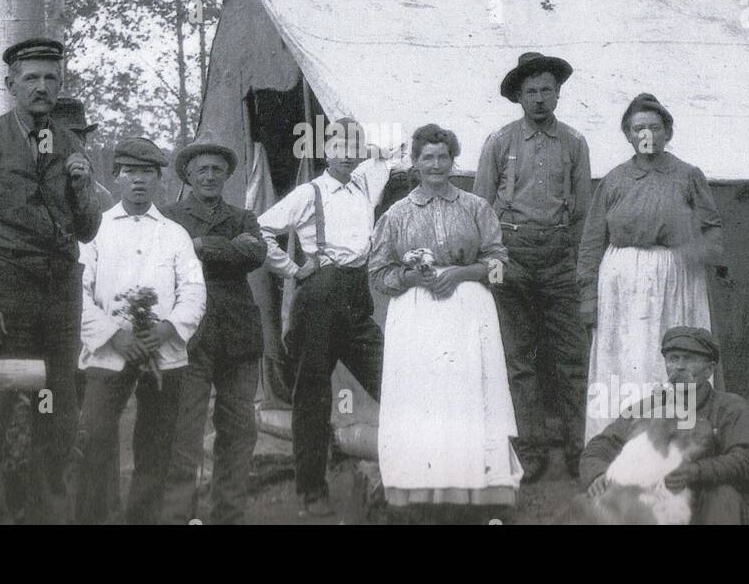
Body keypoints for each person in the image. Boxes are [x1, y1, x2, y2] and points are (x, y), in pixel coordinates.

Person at [0, 37, 103, 523]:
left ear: (61, 84)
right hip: (5, 299)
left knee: (56, 419)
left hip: (58, 302)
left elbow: (88, 229)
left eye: (51, 78)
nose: (42, 86)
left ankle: (48, 517)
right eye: (31, 78)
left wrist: (80, 187)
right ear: (10, 85)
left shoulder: (72, 143)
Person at [369, 123, 520, 515]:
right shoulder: (396, 214)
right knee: (424, 399)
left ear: (454, 161)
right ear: (415, 163)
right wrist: (408, 276)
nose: (436, 164)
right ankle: (422, 490)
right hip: (417, 316)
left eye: (443, 156)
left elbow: (499, 265)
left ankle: (475, 490)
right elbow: (378, 275)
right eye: (427, 157)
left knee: (468, 399)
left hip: (469, 312)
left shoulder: (476, 207)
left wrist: (463, 273)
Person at [257, 117, 402, 517]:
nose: (346, 152)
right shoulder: (310, 192)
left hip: (357, 297)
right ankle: (312, 489)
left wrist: (375, 148)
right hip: (318, 296)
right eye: (338, 144)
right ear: (324, 149)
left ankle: (407, 470)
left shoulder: (367, 183)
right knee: (312, 398)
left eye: (354, 145)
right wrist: (292, 269)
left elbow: (395, 151)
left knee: (393, 381)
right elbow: (260, 230)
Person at [72, 137, 206, 524]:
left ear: (159, 179)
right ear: (116, 177)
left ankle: (141, 519)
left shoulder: (174, 234)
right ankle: (97, 518)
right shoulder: (94, 230)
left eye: (147, 172)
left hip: (163, 353)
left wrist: (167, 329)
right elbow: (77, 293)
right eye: (130, 172)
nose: (138, 181)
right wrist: (114, 335)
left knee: (155, 445)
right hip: (108, 352)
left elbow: (195, 291)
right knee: (93, 438)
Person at [577, 94, 724, 441]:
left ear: (667, 132)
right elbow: (592, 239)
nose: (647, 135)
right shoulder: (614, 180)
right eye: (638, 128)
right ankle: (619, 439)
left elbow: (712, 226)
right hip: (621, 283)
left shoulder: (688, 176)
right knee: (627, 357)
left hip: (675, 278)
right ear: (628, 135)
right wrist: (587, 294)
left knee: (671, 355)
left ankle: (680, 439)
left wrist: (700, 252)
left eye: (654, 127)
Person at [474, 52, 592, 482]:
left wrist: (578, 264)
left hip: (560, 259)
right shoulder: (499, 142)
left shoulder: (575, 143)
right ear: (519, 98)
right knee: (518, 359)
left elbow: (582, 212)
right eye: (531, 92)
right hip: (512, 257)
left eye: (546, 90)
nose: (539, 99)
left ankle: (583, 450)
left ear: (558, 93)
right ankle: (530, 451)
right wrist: (493, 260)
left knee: (572, 358)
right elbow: (480, 209)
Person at [160, 131, 267, 524]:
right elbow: (167, 261)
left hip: (239, 339)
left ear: (226, 175)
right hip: (189, 338)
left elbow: (256, 251)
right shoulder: (168, 218)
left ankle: (229, 516)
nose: (209, 176)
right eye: (201, 169)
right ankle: (176, 516)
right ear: (188, 174)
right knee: (183, 433)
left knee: (238, 433)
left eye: (217, 170)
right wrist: (228, 247)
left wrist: (202, 245)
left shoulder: (243, 217)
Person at [579, 326, 749, 525]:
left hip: (711, 510)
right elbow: (597, 448)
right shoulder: (647, 408)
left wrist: (696, 471)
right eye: (673, 358)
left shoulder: (731, 408)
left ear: (709, 369)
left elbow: (748, 462)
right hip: (661, 511)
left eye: (689, 359)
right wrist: (599, 475)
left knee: (723, 494)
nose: (680, 366)